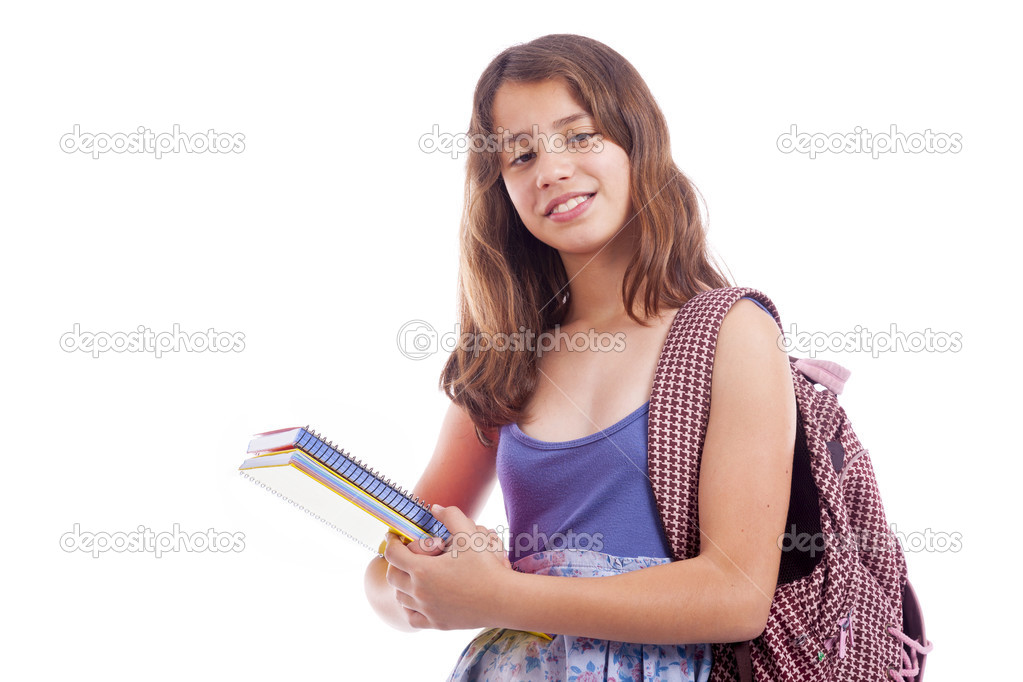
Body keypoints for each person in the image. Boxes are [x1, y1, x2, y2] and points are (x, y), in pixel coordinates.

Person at [364, 33, 797, 681]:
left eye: (580, 136)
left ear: (636, 141)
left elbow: (735, 598)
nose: (551, 169)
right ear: (500, 188)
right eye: (520, 155)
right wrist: (420, 593)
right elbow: (385, 565)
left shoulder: (730, 334)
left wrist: (496, 595)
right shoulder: (503, 354)